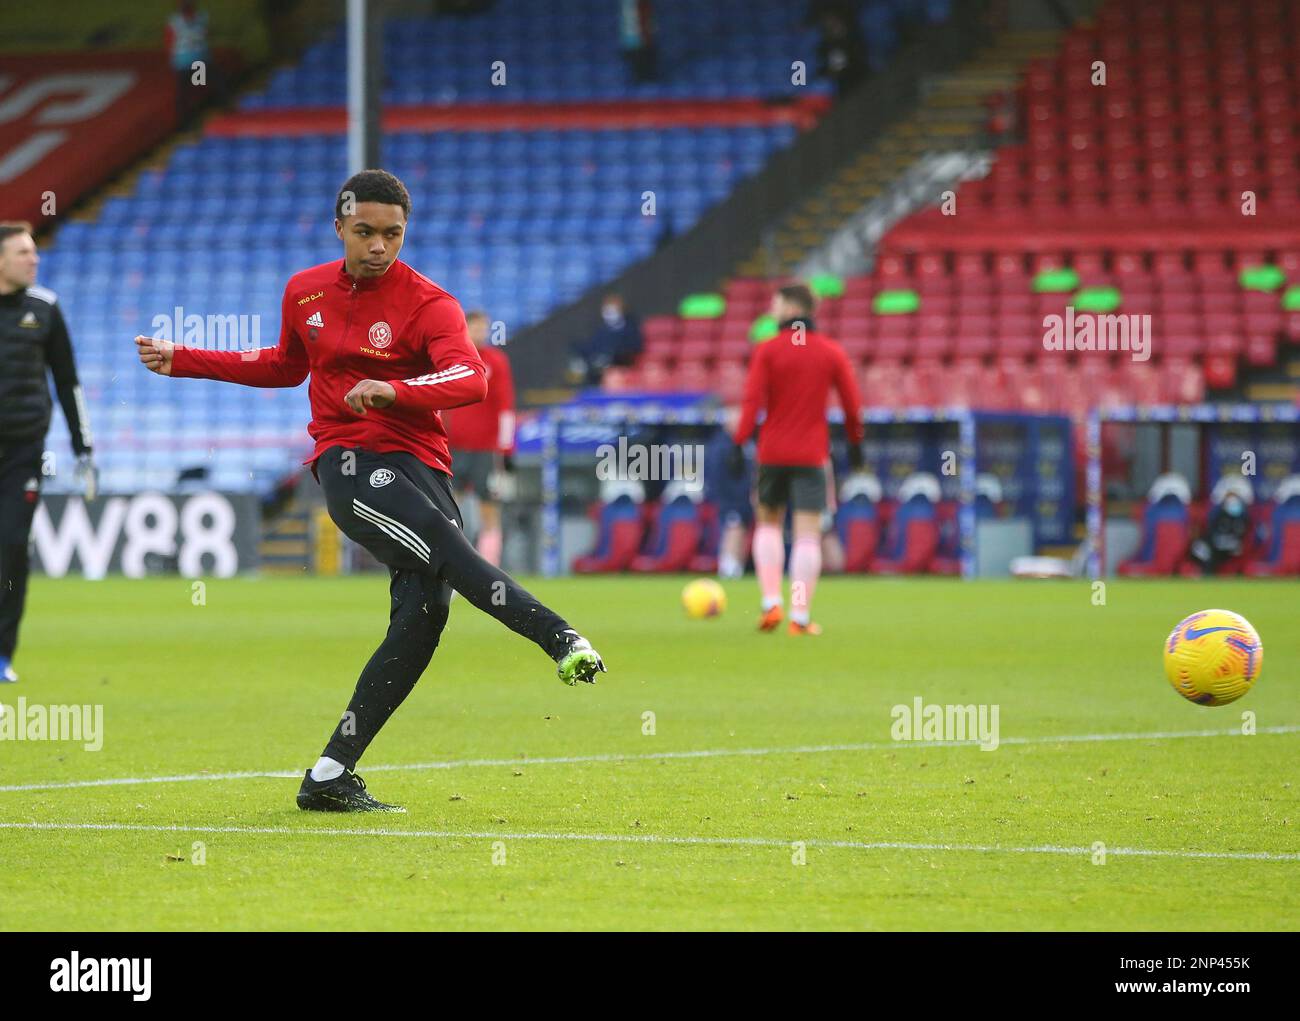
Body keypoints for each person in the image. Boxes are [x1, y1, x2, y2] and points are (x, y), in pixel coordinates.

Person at [135, 170, 605, 813]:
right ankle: (559, 637)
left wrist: (398, 390)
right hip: (350, 464)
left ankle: (330, 774)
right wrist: (185, 357)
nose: (380, 246)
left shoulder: (430, 302)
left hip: (421, 463)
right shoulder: (305, 292)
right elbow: (285, 365)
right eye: (365, 233)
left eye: (393, 234)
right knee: (445, 544)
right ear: (340, 227)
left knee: (423, 616)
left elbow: (472, 378)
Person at [730, 283, 863, 635]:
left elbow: (751, 401)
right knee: (806, 536)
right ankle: (799, 616)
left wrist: (738, 440)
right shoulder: (830, 352)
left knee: (768, 524)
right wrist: (855, 443)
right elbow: (851, 404)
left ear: (791, 308)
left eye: (775, 305)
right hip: (811, 454)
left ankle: (771, 600)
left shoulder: (767, 350)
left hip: (772, 452)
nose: (772, 311)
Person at [0, 222, 96, 684]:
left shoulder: (46, 308)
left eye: (34, 252)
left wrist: (83, 446)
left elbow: (67, 381)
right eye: (22, 253)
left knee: (13, 546)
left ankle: (2, 655)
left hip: (23, 451)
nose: (33, 259)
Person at [445, 310, 515, 567]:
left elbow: (505, 405)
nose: (480, 333)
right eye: (474, 327)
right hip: (452, 449)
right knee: (449, 508)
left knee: (489, 506)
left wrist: (505, 448)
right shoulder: (452, 359)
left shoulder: (495, 361)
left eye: (483, 328)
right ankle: (452, 563)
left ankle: (488, 565)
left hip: (485, 450)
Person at [569, 292, 642, 385]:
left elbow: (634, 347)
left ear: (621, 311)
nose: (609, 315)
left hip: (620, 365)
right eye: (607, 311)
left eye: (613, 311)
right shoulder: (602, 330)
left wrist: (611, 356)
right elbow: (592, 347)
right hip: (596, 368)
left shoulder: (630, 329)